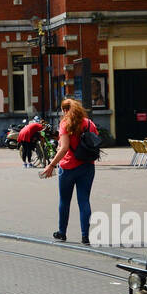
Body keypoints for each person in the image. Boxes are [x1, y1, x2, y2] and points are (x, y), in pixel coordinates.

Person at [43, 98, 99, 244]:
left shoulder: (65, 124)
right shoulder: (89, 123)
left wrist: (51, 165)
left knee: (64, 201)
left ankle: (62, 232)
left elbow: (64, 148)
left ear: (65, 110)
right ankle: (85, 236)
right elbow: (95, 140)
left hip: (68, 167)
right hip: (87, 166)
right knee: (84, 201)